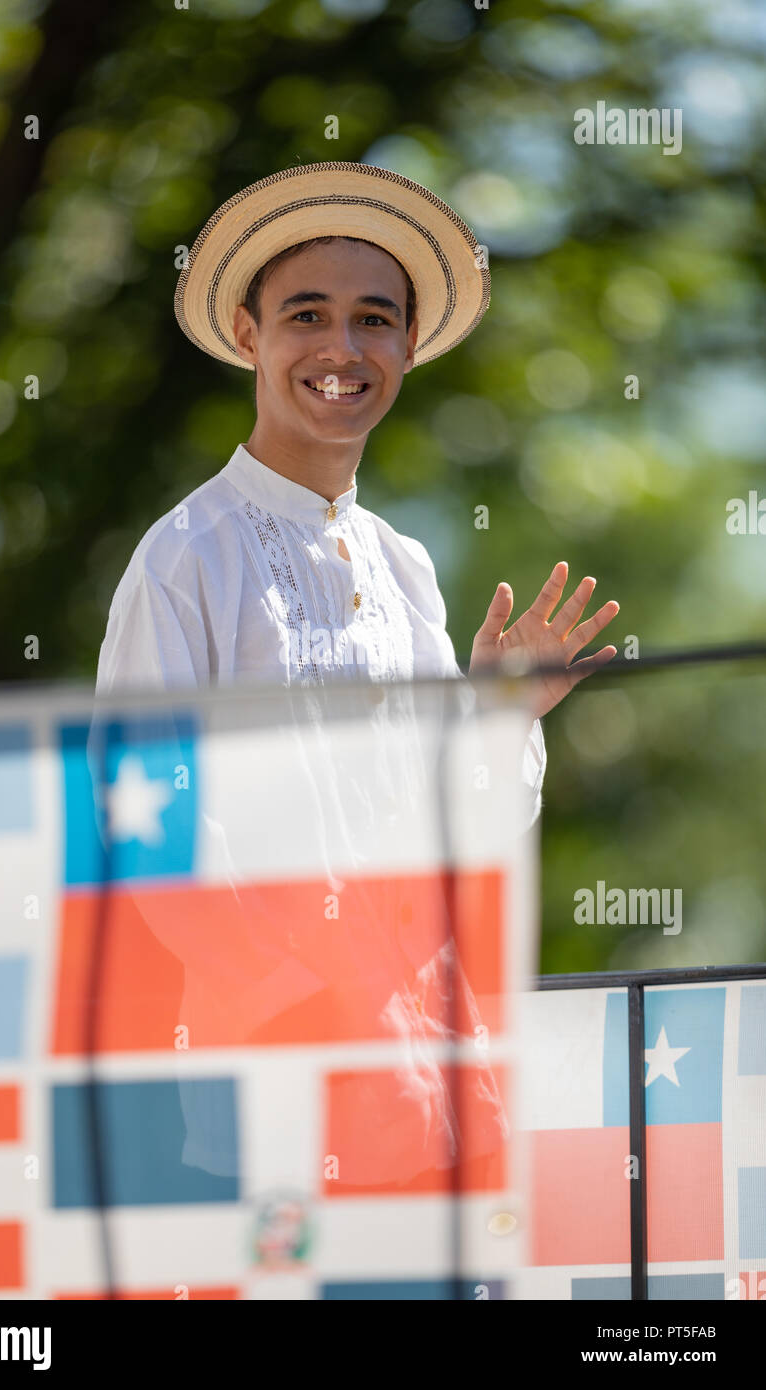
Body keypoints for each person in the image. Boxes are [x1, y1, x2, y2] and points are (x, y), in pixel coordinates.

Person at [90, 162, 620, 1206]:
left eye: (373, 318)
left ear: (408, 347)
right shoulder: (183, 556)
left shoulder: (404, 564)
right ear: (249, 334)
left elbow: (457, 833)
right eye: (306, 315)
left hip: (439, 1080)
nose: (341, 349)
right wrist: (290, 997)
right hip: (276, 1089)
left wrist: (496, 719)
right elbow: (137, 820)